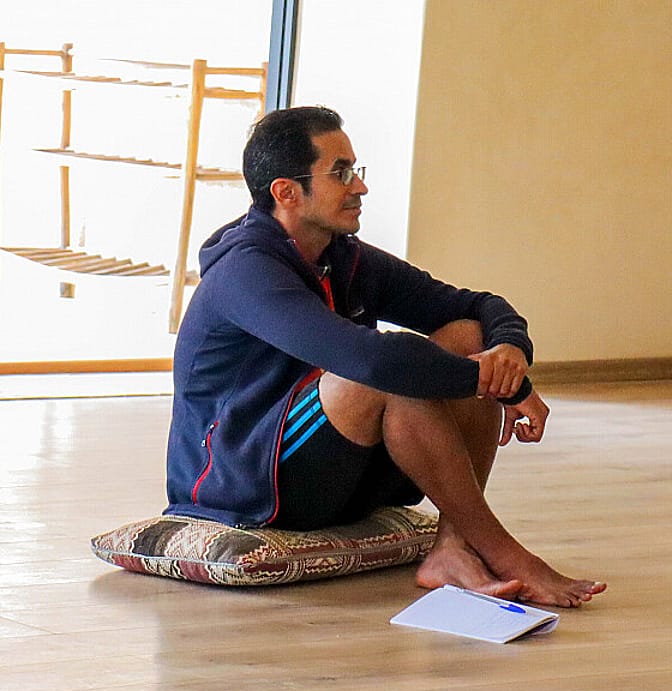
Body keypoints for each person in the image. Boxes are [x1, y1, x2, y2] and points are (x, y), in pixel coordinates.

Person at [165, 106, 605, 608]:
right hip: (244, 482)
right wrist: (502, 387)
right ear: (286, 192)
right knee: (385, 372)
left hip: (336, 472)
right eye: (341, 173)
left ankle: (452, 548)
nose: (359, 186)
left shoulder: (343, 256)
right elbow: (371, 363)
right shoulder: (244, 272)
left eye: (357, 170)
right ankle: (502, 551)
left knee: (464, 334)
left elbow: (473, 307)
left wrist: (509, 353)